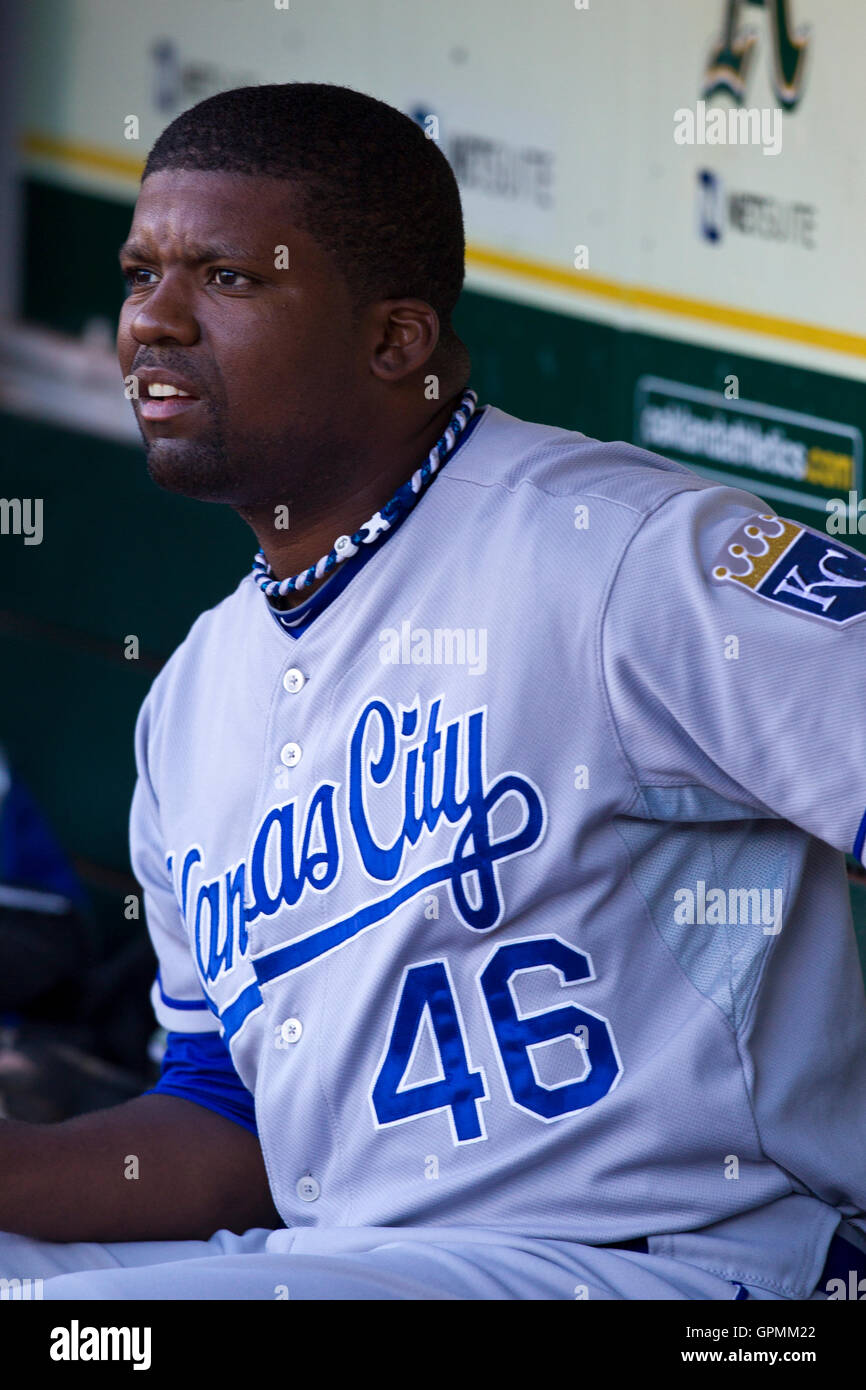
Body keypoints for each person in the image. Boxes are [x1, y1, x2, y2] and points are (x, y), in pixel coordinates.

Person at [0, 82, 864, 1301]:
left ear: (394, 339)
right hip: (350, 1262)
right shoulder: (191, 699)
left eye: (229, 279)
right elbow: (231, 1120)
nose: (155, 321)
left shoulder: (622, 556)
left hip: (680, 1271)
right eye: (143, 273)